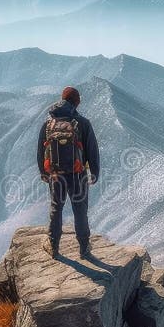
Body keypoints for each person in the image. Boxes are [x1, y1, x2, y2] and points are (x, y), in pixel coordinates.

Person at [37, 86, 100, 258]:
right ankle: (84, 249)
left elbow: (41, 150)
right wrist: (94, 172)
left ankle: (54, 246)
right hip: (78, 175)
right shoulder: (83, 123)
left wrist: (44, 172)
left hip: (56, 175)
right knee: (79, 210)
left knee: (56, 208)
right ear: (76, 102)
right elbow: (92, 150)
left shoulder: (48, 124)